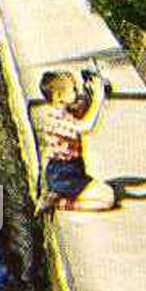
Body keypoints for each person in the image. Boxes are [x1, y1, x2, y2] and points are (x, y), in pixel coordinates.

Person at [33, 70, 116, 212]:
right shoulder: (54, 118)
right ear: (59, 96)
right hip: (63, 173)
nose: (77, 93)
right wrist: (97, 99)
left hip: (71, 169)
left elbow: (83, 108)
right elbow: (86, 126)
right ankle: (65, 203)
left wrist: (92, 89)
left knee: (99, 189)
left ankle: (59, 193)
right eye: (73, 90)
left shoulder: (63, 109)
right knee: (108, 197)